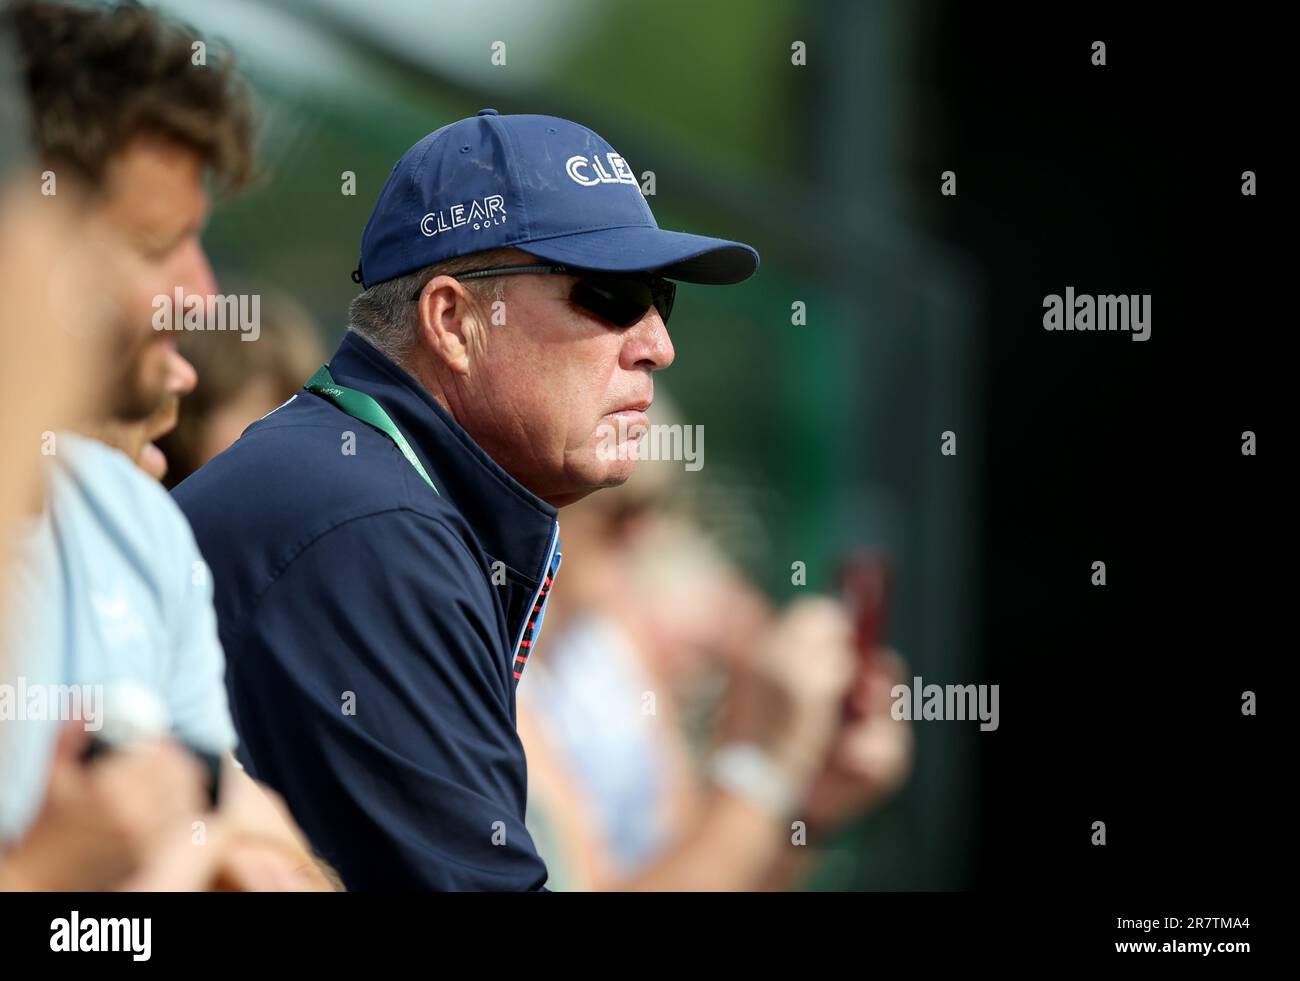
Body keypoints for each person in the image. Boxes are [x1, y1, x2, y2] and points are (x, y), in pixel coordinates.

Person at [174, 108, 769, 889]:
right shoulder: (375, 530)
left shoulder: (373, 481)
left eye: (660, 297)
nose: (658, 344)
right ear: (454, 321)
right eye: (612, 293)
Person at [0, 0, 330, 890]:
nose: (201, 292)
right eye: (157, 244)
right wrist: (50, 869)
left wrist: (224, 849)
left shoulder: (134, 524)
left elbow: (263, 836)